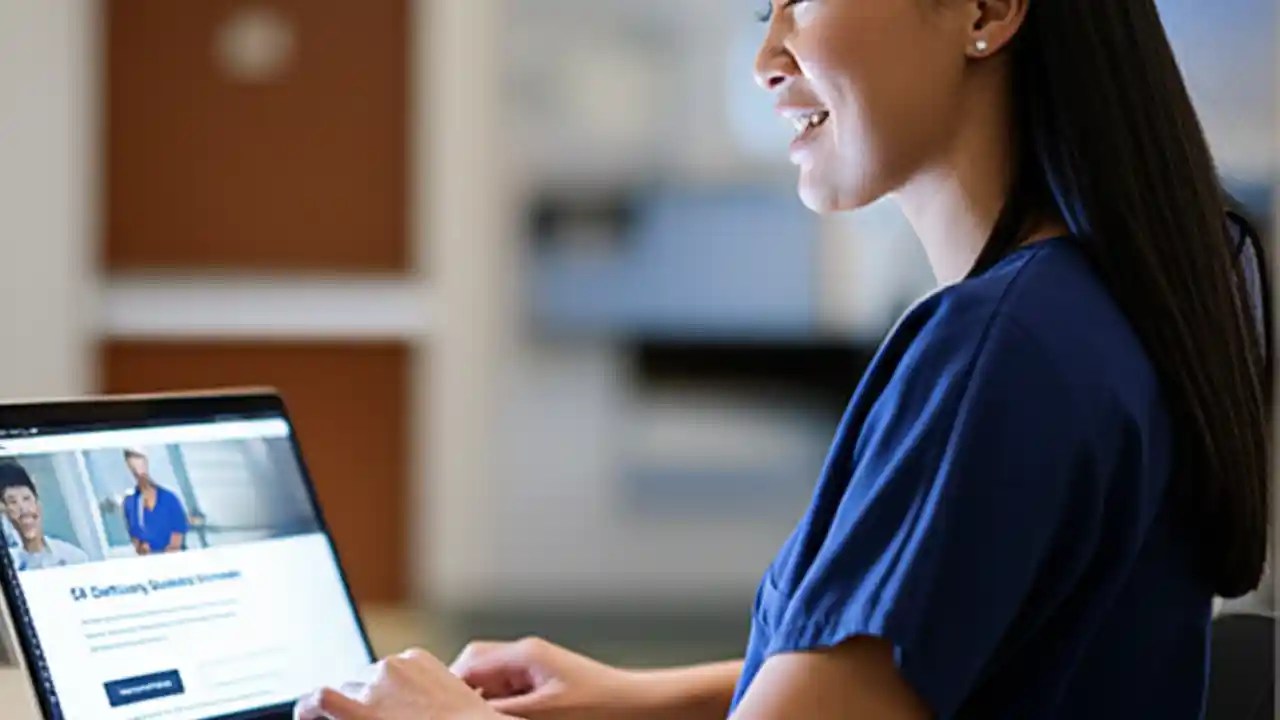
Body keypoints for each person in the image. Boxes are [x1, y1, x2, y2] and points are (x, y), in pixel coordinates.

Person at [297, 1, 1271, 718]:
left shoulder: (996, 351)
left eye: (800, 2)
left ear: (984, 11)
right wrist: (647, 695)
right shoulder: (1116, 297)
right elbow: (965, 659)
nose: (765, 55)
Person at [0, 462, 89, 571]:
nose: (23, 509)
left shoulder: (73, 558)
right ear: (5, 512)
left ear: (38, 503)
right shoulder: (9, 567)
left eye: (26, 498)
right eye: (13, 502)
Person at [122, 449, 189, 555]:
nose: (139, 474)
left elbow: (178, 533)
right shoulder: (130, 503)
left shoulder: (169, 498)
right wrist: (142, 548)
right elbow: (134, 536)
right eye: (134, 470)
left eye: (141, 468)